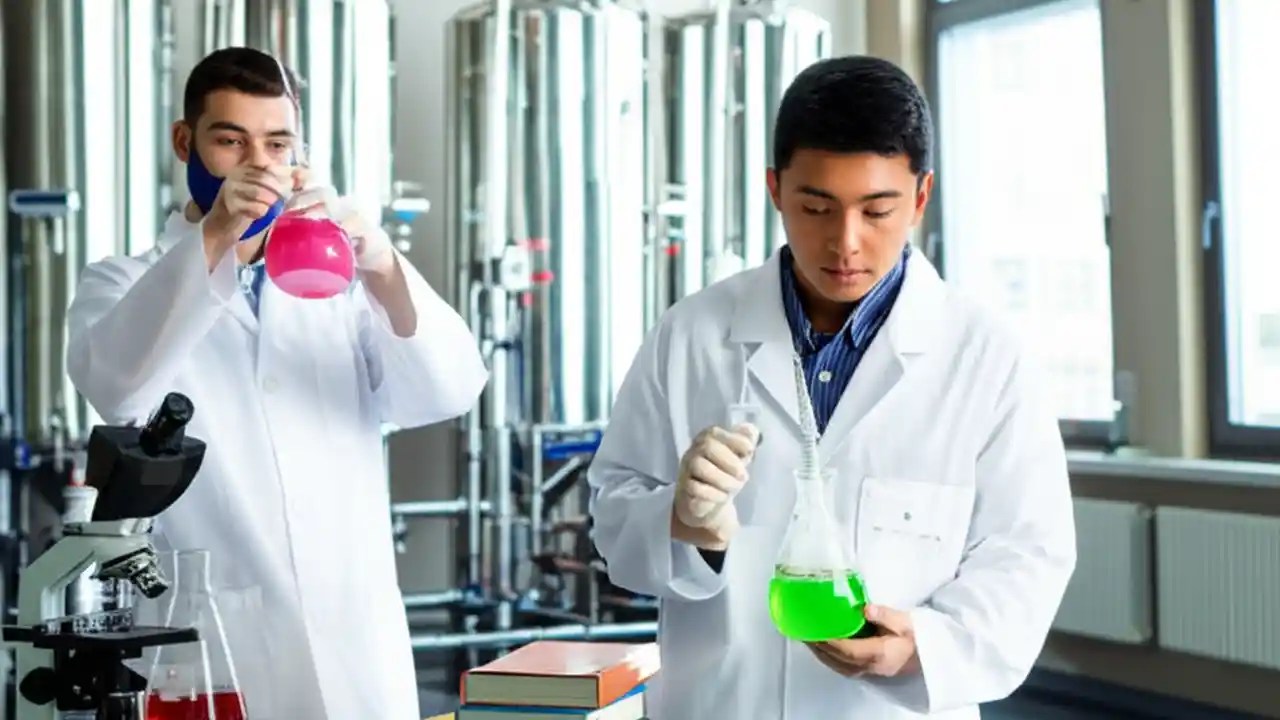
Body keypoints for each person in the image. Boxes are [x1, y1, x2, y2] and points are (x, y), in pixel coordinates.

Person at [588, 55, 1076, 719]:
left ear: (921, 198)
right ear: (774, 190)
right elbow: (613, 516)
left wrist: (922, 648)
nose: (845, 243)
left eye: (878, 210)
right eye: (815, 206)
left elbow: (1028, 553)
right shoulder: (691, 335)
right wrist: (682, 519)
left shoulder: (985, 358)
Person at [66, 47, 487, 719]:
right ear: (187, 143)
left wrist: (379, 264)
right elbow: (119, 388)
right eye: (230, 141)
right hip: (219, 646)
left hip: (357, 638)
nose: (258, 163)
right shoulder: (120, 282)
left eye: (277, 142)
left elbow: (448, 389)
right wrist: (218, 235)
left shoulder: (339, 287)